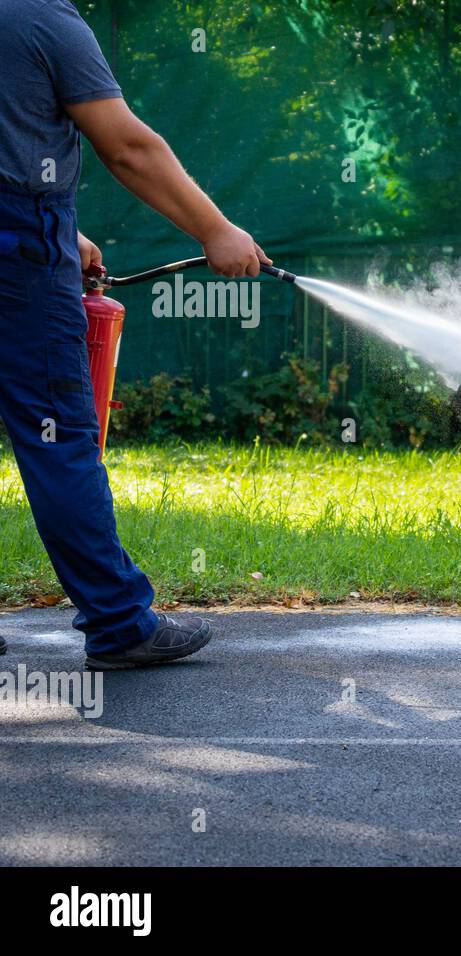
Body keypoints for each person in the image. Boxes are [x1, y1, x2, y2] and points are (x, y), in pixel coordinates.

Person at [0, 0, 270, 669]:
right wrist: (215, 230)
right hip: (19, 251)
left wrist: (67, 234)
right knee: (57, 433)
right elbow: (126, 146)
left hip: (26, 228)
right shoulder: (43, 18)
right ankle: (121, 622)